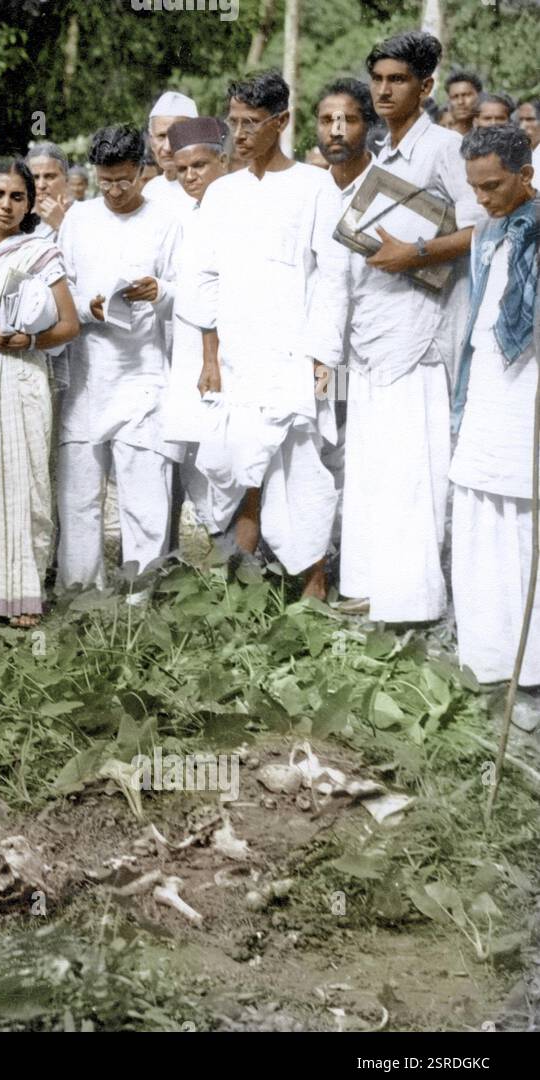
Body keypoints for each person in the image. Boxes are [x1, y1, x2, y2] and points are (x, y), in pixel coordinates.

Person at [331, 33, 484, 622]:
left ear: (425, 87)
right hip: (376, 327)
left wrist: (416, 253)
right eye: (379, 79)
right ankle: (373, 590)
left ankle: (414, 605)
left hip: (423, 332)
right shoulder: (380, 148)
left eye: (398, 80)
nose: (385, 90)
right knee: (372, 467)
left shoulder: (447, 147)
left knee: (413, 470)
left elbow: (481, 229)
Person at [189, 72, 349, 599]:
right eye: (233, 122)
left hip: (291, 357)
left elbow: (332, 275)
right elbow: (204, 277)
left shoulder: (315, 186)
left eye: (251, 123)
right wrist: (209, 356)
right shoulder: (222, 194)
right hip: (236, 358)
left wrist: (320, 355)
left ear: (280, 122)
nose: (238, 134)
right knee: (239, 468)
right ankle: (240, 587)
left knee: (300, 471)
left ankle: (314, 585)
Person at [0, 158, 78, 627]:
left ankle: (24, 595)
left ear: (30, 204)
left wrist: (29, 341)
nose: (7, 205)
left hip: (21, 376)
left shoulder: (40, 252)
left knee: (23, 480)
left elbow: (69, 324)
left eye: (17, 197)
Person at [56, 124, 182, 586]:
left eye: (123, 181)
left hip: (142, 373)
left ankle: (139, 596)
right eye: (104, 181)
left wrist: (160, 290)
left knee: (144, 495)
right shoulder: (79, 219)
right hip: (87, 372)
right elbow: (61, 285)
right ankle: (80, 593)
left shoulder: (165, 221)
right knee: (79, 496)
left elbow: (189, 289)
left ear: (142, 172)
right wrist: (88, 305)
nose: (113, 191)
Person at [449, 126, 538, 699]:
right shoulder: (485, 234)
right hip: (486, 384)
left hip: (529, 387)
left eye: (494, 186)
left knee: (524, 518)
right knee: (479, 509)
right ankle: (486, 658)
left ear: (526, 174)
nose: (483, 197)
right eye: (475, 187)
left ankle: (530, 668)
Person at [159, 117, 231, 534]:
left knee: (226, 455)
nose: (190, 176)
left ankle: (237, 560)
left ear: (221, 160)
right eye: (183, 169)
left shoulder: (241, 207)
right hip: (186, 347)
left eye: (200, 166)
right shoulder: (179, 213)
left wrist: (214, 357)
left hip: (229, 348)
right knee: (186, 453)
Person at [142, 90, 198, 211]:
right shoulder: (150, 191)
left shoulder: (209, 189)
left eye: (175, 135)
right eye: (161, 136)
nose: (167, 147)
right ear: (152, 142)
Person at [27, 141, 74, 236]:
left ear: (66, 179)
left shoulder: (84, 216)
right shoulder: (18, 220)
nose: (41, 185)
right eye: (35, 177)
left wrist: (60, 225)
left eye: (49, 177)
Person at [444, 69, 483, 136]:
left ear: (479, 96)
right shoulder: (441, 137)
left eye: (466, 95)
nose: (460, 102)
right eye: (455, 97)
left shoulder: (488, 134)